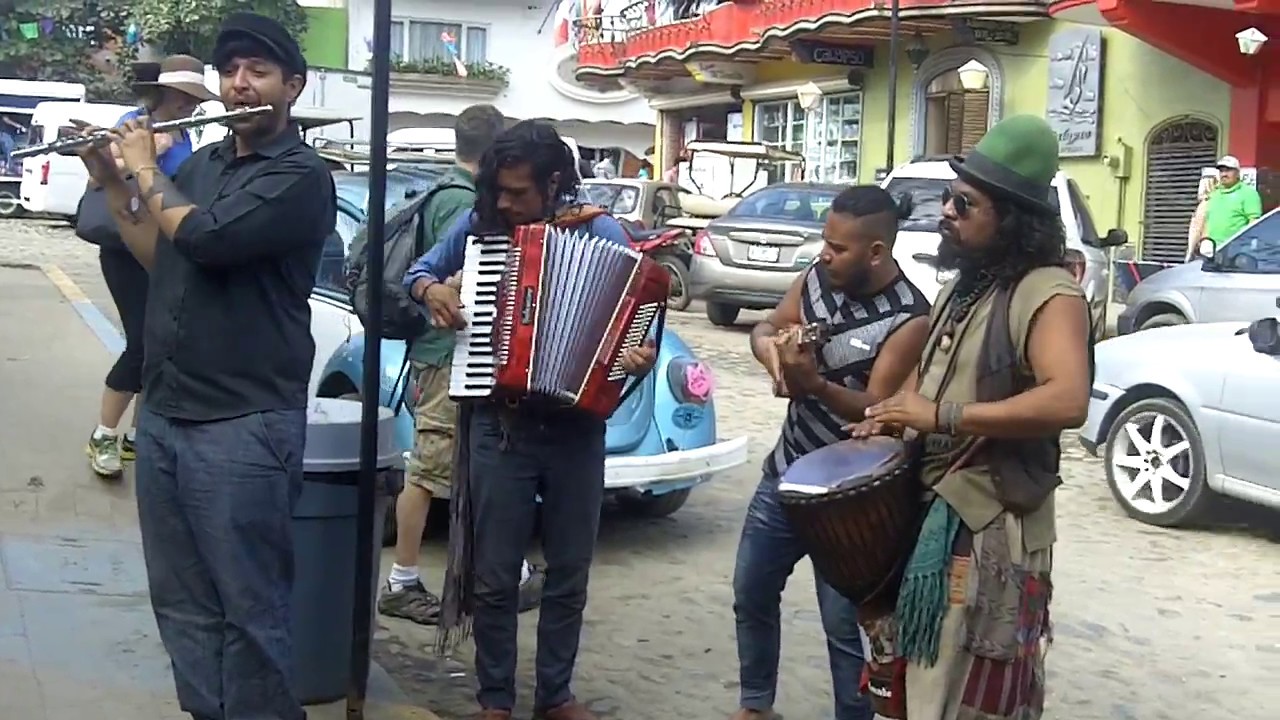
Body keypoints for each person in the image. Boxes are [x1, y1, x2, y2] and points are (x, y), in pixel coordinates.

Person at [74, 13, 334, 720]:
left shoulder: (300, 176)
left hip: (243, 421)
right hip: (167, 411)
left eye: (258, 71)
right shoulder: (207, 163)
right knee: (181, 601)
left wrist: (145, 166)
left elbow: (208, 238)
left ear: (293, 87)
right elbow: (160, 254)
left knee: (248, 609)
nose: (239, 84)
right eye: (231, 71)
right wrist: (111, 180)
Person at [403, 120, 657, 720]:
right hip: (500, 424)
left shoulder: (600, 231)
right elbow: (418, 273)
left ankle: (555, 696)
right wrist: (432, 291)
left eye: (517, 192)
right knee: (494, 575)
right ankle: (495, 699)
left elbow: (639, 319)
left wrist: (635, 356)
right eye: (497, 189)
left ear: (554, 183)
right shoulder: (480, 228)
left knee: (569, 571)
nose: (503, 203)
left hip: (575, 430)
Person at [851, 115, 1091, 720]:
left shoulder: (1049, 294)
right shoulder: (966, 287)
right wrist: (891, 417)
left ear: (1011, 220)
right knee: (919, 689)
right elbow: (929, 376)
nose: (947, 212)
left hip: (992, 523)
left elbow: (1068, 400)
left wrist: (942, 415)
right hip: (936, 507)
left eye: (964, 203)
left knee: (967, 700)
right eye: (949, 198)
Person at [733, 186, 931, 720]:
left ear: (876, 252)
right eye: (825, 242)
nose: (825, 254)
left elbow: (878, 408)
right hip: (785, 473)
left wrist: (815, 385)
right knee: (751, 591)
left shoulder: (910, 317)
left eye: (839, 248)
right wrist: (773, 355)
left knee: (843, 627)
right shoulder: (816, 277)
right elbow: (769, 324)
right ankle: (756, 707)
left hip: (847, 500)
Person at [379, 103, 547, 625]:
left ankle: (507, 568)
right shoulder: (462, 203)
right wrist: (441, 288)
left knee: (461, 467)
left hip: (442, 355)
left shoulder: (441, 189)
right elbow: (442, 276)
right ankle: (402, 580)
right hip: (445, 355)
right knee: (429, 468)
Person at [86, 53, 218, 479]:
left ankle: (138, 437)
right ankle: (104, 435)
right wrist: (141, 158)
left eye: (194, 98)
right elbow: (98, 177)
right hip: (124, 245)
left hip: (163, 247)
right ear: (164, 93)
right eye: (182, 96)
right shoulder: (134, 123)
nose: (189, 105)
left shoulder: (185, 135)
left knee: (163, 343)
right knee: (140, 343)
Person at [1203, 154, 1262, 249]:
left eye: (1228, 170)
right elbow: (1207, 222)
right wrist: (1204, 241)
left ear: (1237, 173)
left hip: (1236, 250)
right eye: (1221, 171)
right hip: (1212, 250)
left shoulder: (1248, 194)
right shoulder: (1214, 194)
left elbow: (1254, 223)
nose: (1224, 174)